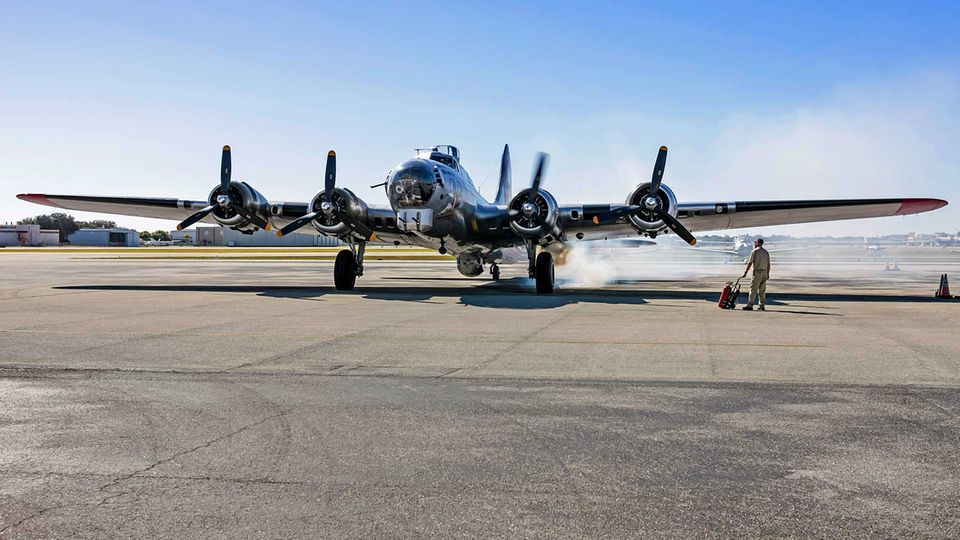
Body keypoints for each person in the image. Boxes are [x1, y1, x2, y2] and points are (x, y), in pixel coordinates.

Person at [741, 238, 770, 311]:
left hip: (757, 272)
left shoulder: (755, 251)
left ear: (759, 243)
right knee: (762, 291)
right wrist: (767, 274)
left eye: (755, 242)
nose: (754, 243)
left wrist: (745, 272)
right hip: (764, 272)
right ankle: (762, 305)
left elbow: (750, 263)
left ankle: (750, 305)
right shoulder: (766, 252)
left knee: (753, 289)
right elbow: (768, 264)